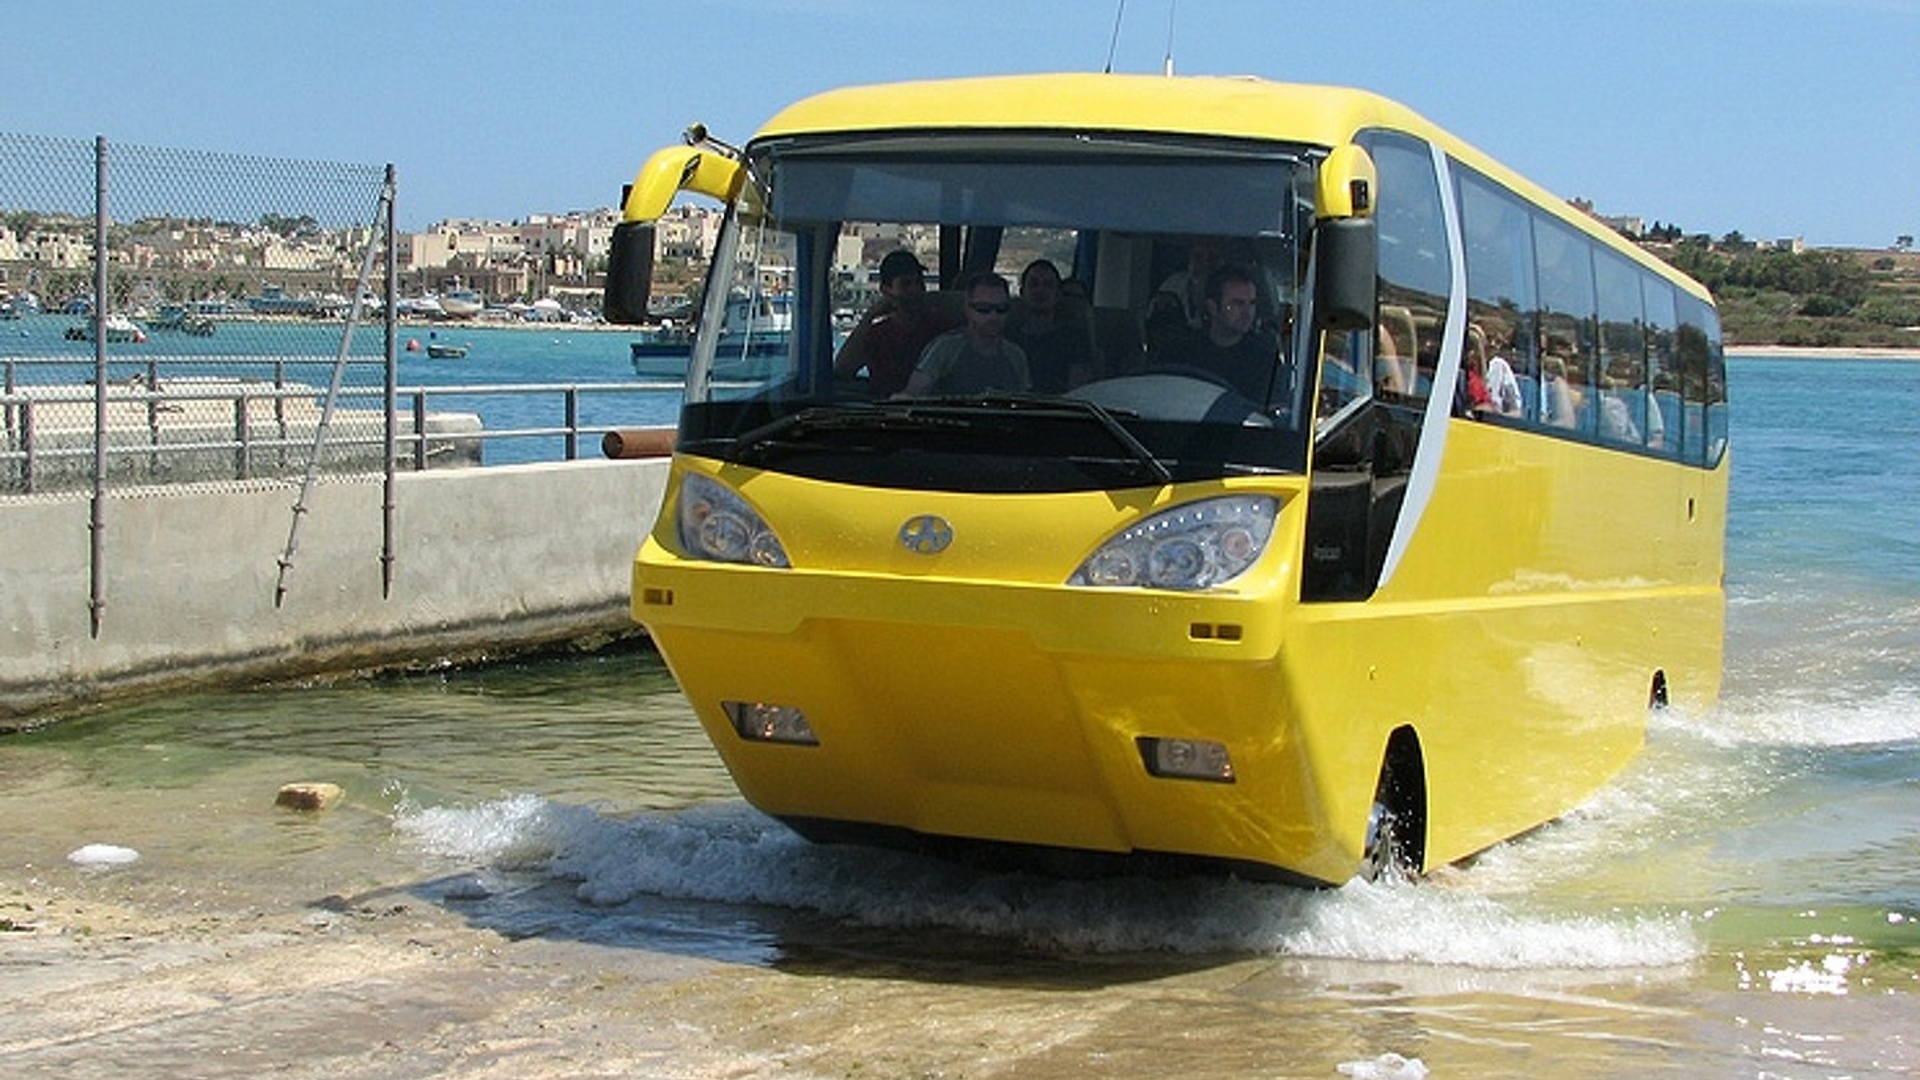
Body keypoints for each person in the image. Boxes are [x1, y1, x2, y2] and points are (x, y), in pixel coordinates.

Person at [1149, 263, 1283, 403]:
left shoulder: (1265, 361)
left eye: (1252, 303)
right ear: (1212, 307)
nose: (1247, 313)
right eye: (1237, 304)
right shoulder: (1181, 352)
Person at [833, 250, 958, 397]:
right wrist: (869, 317)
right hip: (887, 412)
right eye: (906, 284)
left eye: (919, 282)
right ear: (886, 290)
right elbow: (843, 370)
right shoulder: (877, 335)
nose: (915, 290)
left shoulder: (940, 328)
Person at [900, 272, 1030, 397]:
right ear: (967, 309)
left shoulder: (1016, 356)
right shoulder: (945, 349)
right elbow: (912, 395)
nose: (993, 316)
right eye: (983, 309)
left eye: (1001, 309)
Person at [1005, 259, 1096, 393]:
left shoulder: (1075, 337)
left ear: (1058, 294)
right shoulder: (1007, 335)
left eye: (1048, 285)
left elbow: (1078, 390)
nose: (1040, 290)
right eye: (1034, 284)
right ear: (1022, 292)